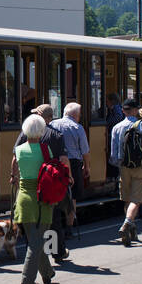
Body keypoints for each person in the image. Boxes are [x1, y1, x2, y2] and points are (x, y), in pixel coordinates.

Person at [15, 104, 70, 261]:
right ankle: (56, 252)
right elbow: (63, 159)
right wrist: (68, 177)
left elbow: (15, 154)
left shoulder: (26, 134)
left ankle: (37, 252)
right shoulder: (56, 135)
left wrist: (15, 176)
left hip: (29, 185)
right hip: (51, 183)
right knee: (53, 220)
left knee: (32, 221)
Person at [13, 113, 57, 284]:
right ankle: (27, 280)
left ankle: (47, 273)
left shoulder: (19, 150)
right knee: (36, 242)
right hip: (41, 200)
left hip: (23, 199)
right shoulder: (46, 150)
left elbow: (15, 171)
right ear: (41, 131)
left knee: (34, 239)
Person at [110, 98, 142, 246]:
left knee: (127, 198)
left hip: (124, 167)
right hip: (141, 167)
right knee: (136, 200)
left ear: (123, 111)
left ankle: (132, 230)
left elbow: (113, 154)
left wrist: (119, 165)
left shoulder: (117, 127)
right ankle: (127, 223)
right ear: (136, 110)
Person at [49, 102, 91, 259]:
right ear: (75, 115)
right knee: (72, 196)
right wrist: (87, 167)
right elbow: (85, 150)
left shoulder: (53, 124)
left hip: (55, 162)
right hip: (72, 162)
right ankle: (69, 227)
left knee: (57, 194)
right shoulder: (77, 128)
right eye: (79, 115)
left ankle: (56, 223)